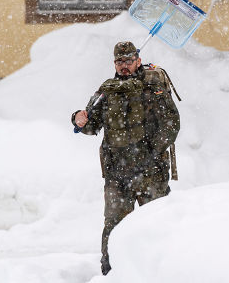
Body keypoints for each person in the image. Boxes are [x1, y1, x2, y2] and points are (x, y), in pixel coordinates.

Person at [71, 41, 180, 275]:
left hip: (151, 174)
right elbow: (92, 124)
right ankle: (111, 274)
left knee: (157, 225)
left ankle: (164, 274)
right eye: (120, 61)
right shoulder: (107, 90)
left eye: (129, 61)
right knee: (114, 226)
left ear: (138, 61)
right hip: (117, 175)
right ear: (114, 63)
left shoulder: (152, 86)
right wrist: (79, 120)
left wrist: (152, 153)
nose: (124, 66)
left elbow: (171, 124)